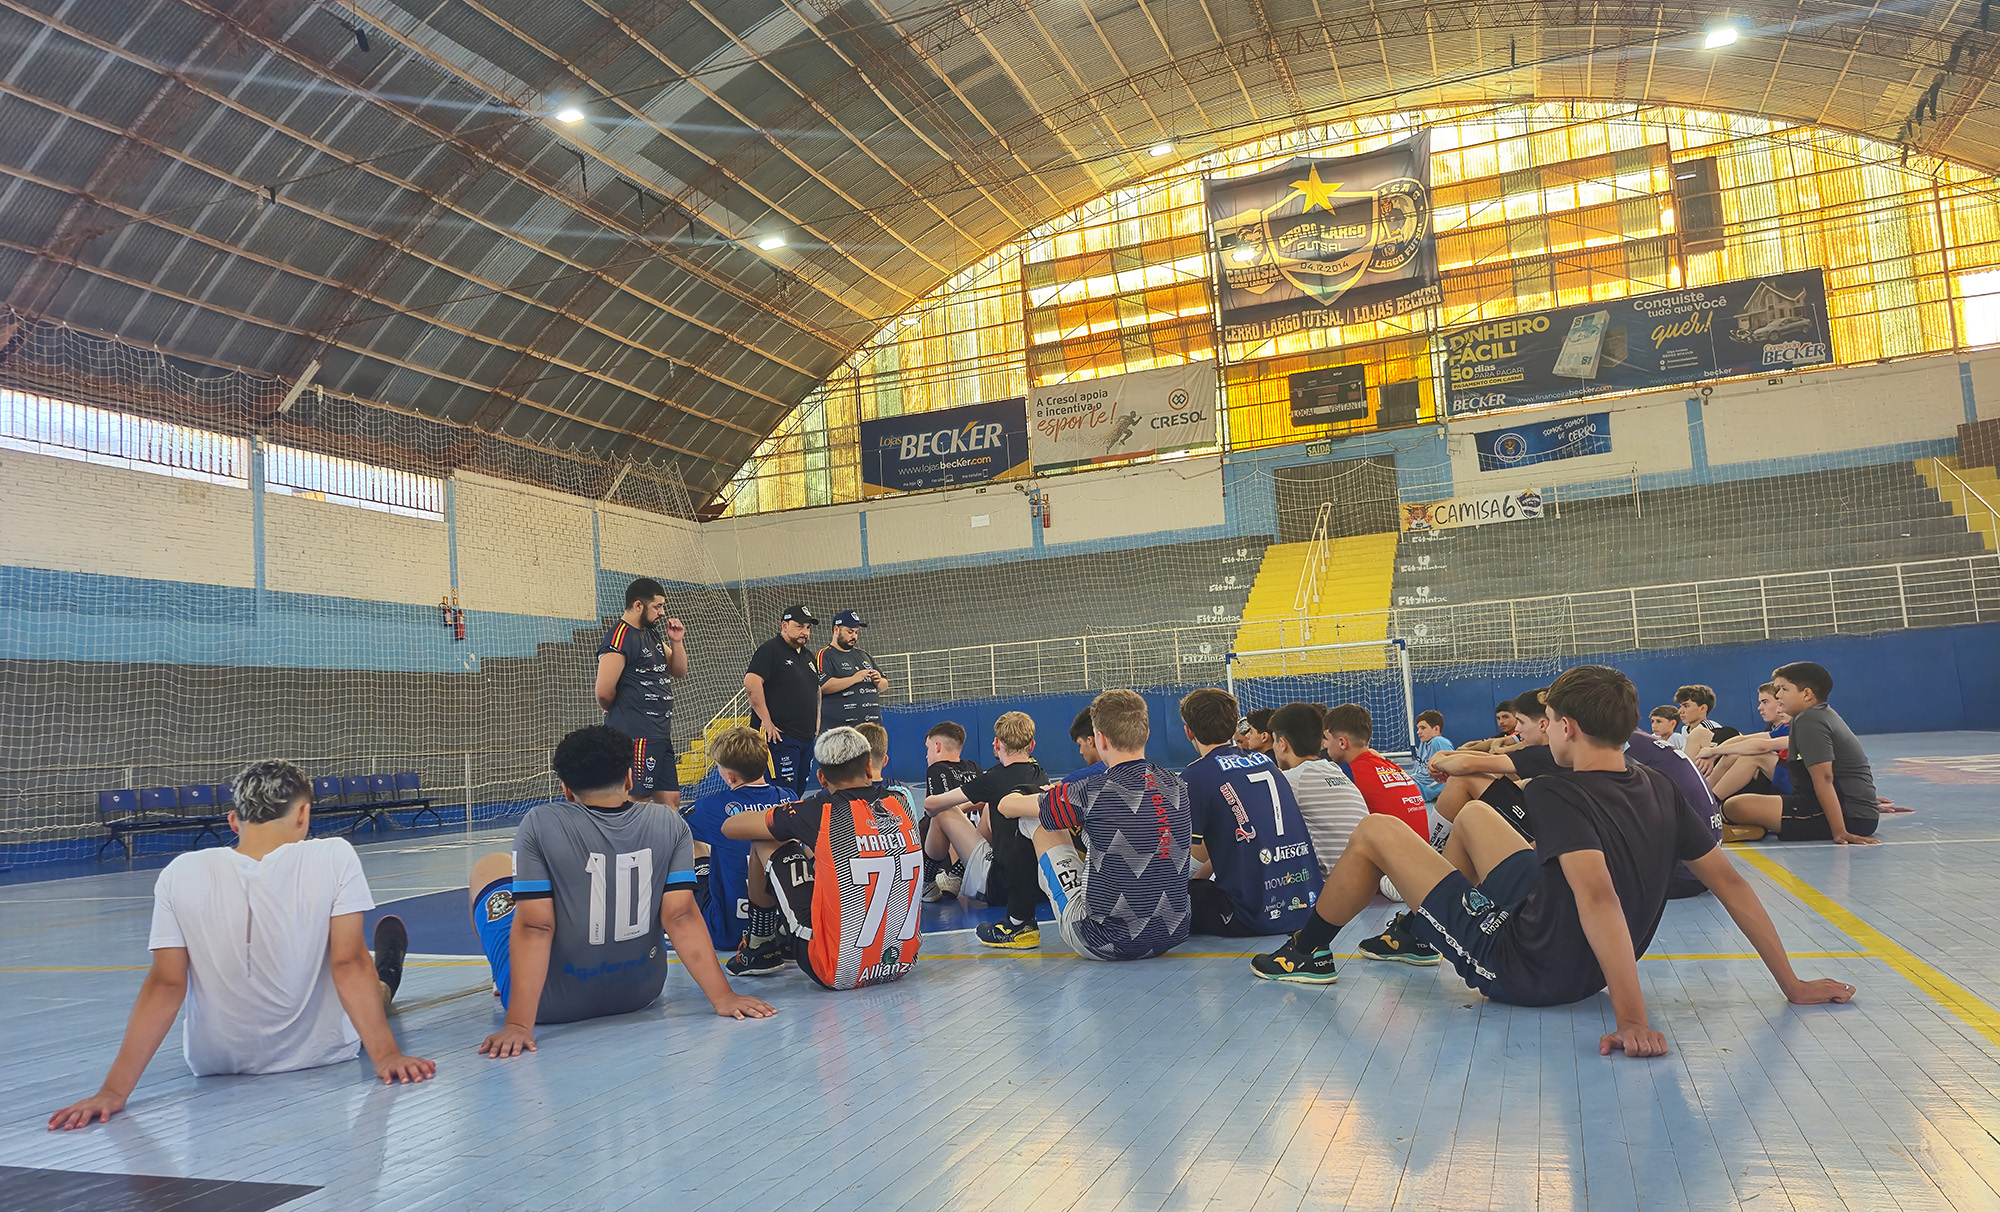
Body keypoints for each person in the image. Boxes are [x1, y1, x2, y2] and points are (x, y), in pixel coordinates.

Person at [1250, 665, 1857, 1059]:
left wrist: (1632, 1019)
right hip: (1578, 954)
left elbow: (1597, 896)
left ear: (1565, 728)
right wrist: (1792, 983)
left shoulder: (1557, 792)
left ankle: (1307, 952)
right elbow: (1732, 885)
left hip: (1530, 968)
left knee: (1376, 830)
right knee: (1476, 816)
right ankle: (1417, 932)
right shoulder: (1656, 785)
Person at [49, 761, 433, 1130]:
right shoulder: (333, 855)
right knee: (368, 984)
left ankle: (386, 970)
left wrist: (113, 1091)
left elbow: (166, 984)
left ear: (234, 821)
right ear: (304, 814)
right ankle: (389, 968)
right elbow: (347, 963)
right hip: (321, 1053)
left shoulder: (179, 873)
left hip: (215, 1061)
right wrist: (387, 1055)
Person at [473, 726, 774, 1059]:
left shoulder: (541, 822)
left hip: (551, 1003)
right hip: (640, 991)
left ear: (566, 789)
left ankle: (502, 981)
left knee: (490, 867)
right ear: (630, 779)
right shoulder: (669, 822)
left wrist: (518, 1024)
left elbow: (536, 926)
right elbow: (681, 916)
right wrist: (723, 997)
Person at [993, 690, 1191, 960]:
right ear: (1146, 734)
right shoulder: (1178, 784)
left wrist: (1024, 793)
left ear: (1100, 739)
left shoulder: (1088, 791)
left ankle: (1017, 920)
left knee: (1035, 818)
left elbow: (1006, 807)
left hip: (1104, 941)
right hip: (1171, 934)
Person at [720, 727, 924, 988]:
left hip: (835, 970)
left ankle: (759, 945)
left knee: (766, 837)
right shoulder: (902, 802)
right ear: (869, 768)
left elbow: (730, 827)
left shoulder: (820, 811)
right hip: (901, 961)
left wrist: (783, 817)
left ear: (821, 778)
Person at [1179, 689, 1318, 936]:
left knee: (1169, 897)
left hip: (1252, 915)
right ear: (1235, 727)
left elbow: (1192, 855)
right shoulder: (1266, 762)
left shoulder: (1195, 775)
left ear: (1188, 731)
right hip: (1308, 905)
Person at [1723, 662, 1882, 844]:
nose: (1778, 695)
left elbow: (1825, 778)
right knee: (1746, 801)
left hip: (1849, 817)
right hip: (1850, 811)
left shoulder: (1810, 720)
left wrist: (1840, 831)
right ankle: (1755, 827)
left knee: (1735, 806)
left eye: (1784, 689)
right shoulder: (1814, 716)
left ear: (1807, 694)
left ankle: (1730, 823)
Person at [925, 713, 1047, 947]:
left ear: (997, 743)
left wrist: (943, 811)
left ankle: (927, 884)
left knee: (943, 812)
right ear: (1032, 745)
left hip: (999, 886)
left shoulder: (993, 778)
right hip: (1036, 885)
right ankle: (958, 873)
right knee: (992, 807)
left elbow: (933, 804)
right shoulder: (1039, 773)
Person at [683, 727, 795, 955]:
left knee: (691, 840)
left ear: (730, 776)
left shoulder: (710, 807)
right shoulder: (788, 798)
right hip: (780, 926)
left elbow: (673, 826)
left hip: (727, 931)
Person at [595, 577, 689, 809]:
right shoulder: (619, 637)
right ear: (638, 605)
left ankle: (667, 836)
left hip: (660, 733)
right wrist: (614, 709)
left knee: (671, 801)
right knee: (637, 800)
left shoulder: (650, 633)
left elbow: (679, 671)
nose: (662, 612)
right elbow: (603, 691)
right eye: (658, 606)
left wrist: (676, 642)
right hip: (636, 734)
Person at [1426, 690, 1559, 837]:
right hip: (1544, 821)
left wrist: (1437, 762)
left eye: (1521, 722)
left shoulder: (1542, 753)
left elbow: (1467, 764)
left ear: (1543, 725)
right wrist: (1445, 754)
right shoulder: (1548, 751)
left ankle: (1434, 843)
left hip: (1542, 833)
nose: (1517, 728)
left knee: (1463, 779)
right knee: (1488, 778)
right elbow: (1491, 757)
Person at [1269, 702, 1367, 874]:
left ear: (1282, 743)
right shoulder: (1334, 770)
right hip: (1364, 875)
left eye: (1274, 741)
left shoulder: (1293, 779)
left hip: (1331, 882)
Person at [1322, 704, 1430, 842]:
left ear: (1342, 743)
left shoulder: (1345, 773)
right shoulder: (1391, 766)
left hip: (1393, 853)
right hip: (1424, 849)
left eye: (1327, 739)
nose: (1324, 745)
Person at [745, 605, 822, 794]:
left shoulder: (808, 656)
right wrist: (766, 721)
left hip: (805, 737)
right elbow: (751, 683)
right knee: (781, 792)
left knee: (798, 790)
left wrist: (817, 719)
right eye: (800, 626)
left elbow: (816, 689)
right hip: (780, 737)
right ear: (784, 626)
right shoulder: (770, 650)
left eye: (808, 628)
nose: (805, 632)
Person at [918, 722, 982, 899]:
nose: (926, 755)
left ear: (937, 746)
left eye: (928, 749)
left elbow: (945, 818)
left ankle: (936, 878)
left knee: (933, 815)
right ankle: (957, 872)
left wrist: (954, 869)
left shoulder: (936, 770)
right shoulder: (973, 767)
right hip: (977, 845)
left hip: (953, 853)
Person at [1702, 683, 1795, 801]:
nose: (1760, 708)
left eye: (1765, 702)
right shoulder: (1783, 728)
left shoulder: (1801, 728)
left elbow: (1762, 746)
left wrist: (1714, 751)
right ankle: (1703, 793)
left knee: (1754, 756)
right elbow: (1744, 739)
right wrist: (1713, 753)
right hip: (1786, 777)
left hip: (1798, 785)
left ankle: (1709, 801)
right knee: (1734, 751)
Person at [817, 609, 888, 729]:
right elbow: (822, 686)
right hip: (840, 731)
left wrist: (878, 681)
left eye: (856, 632)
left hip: (871, 729)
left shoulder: (863, 655)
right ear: (836, 630)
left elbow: (884, 685)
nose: (854, 636)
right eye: (850, 632)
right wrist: (854, 679)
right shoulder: (825, 655)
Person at [1676, 684, 1741, 760]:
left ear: (1703, 708)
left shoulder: (1711, 729)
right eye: (1680, 706)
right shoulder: (1685, 729)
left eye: (1686, 706)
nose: (1680, 711)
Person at [1410, 711, 1453, 804]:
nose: (1418, 732)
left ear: (1436, 729)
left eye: (1423, 728)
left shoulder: (1439, 741)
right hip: (1414, 782)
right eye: (1418, 728)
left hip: (1424, 788)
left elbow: (1452, 772)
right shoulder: (1423, 743)